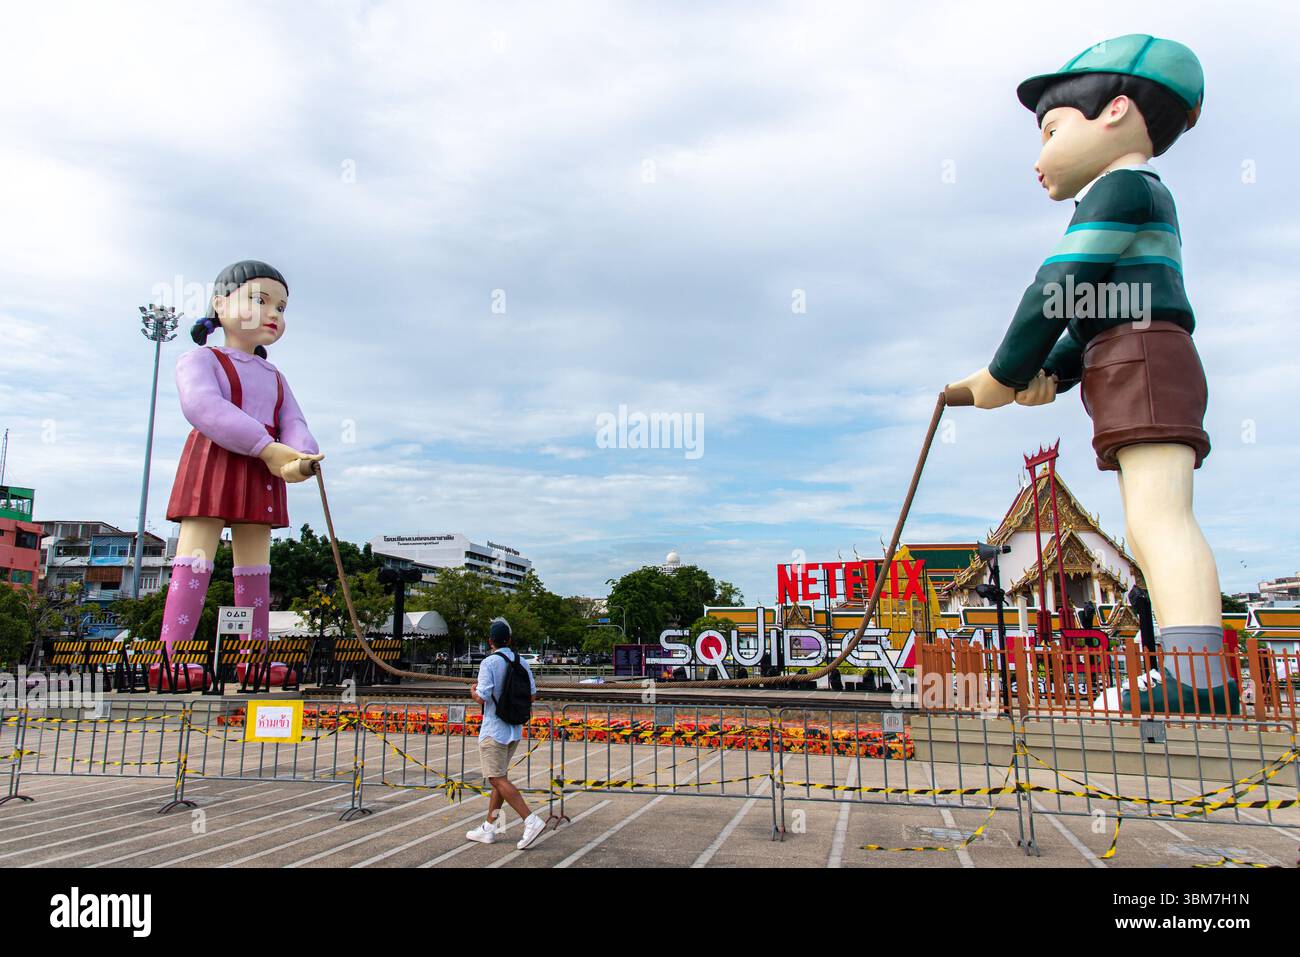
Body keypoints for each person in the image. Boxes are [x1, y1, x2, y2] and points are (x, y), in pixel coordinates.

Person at [946, 35, 1234, 714]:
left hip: (1145, 363)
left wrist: (1003, 372)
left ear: (1116, 112)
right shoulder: (1129, 199)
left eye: (1051, 130)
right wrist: (1052, 369)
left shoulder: (1124, 190)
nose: (1040, 157)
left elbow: (1058, 286)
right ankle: (1194, 669)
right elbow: (1096, 306)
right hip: (1126, 360)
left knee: (1161, 518)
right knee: (1146, 521)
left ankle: (1198, 677)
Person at [157, 261, 322, 686]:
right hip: (215, 461)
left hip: (263, 468)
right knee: (195, 555)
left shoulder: (275, 376)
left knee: (256, 564)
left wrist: (301, 456)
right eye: (260, 300)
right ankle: (170, 658)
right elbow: (204, 407)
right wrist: (268, 449)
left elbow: (295, 421)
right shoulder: (199, 360)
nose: (274, 314)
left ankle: (255, 658)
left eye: (281, 307)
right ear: (219, 304)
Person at [465, 618, 546, 849]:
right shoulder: (522, 661)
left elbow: (482, 696)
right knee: (499, 779)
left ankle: (530, 820)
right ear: (509, 640)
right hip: (514, 729)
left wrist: (471, 691)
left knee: (496, 778)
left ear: (490, 641)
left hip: (493, 729)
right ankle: (489, 828)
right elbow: (531, 696)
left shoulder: (489, 663)